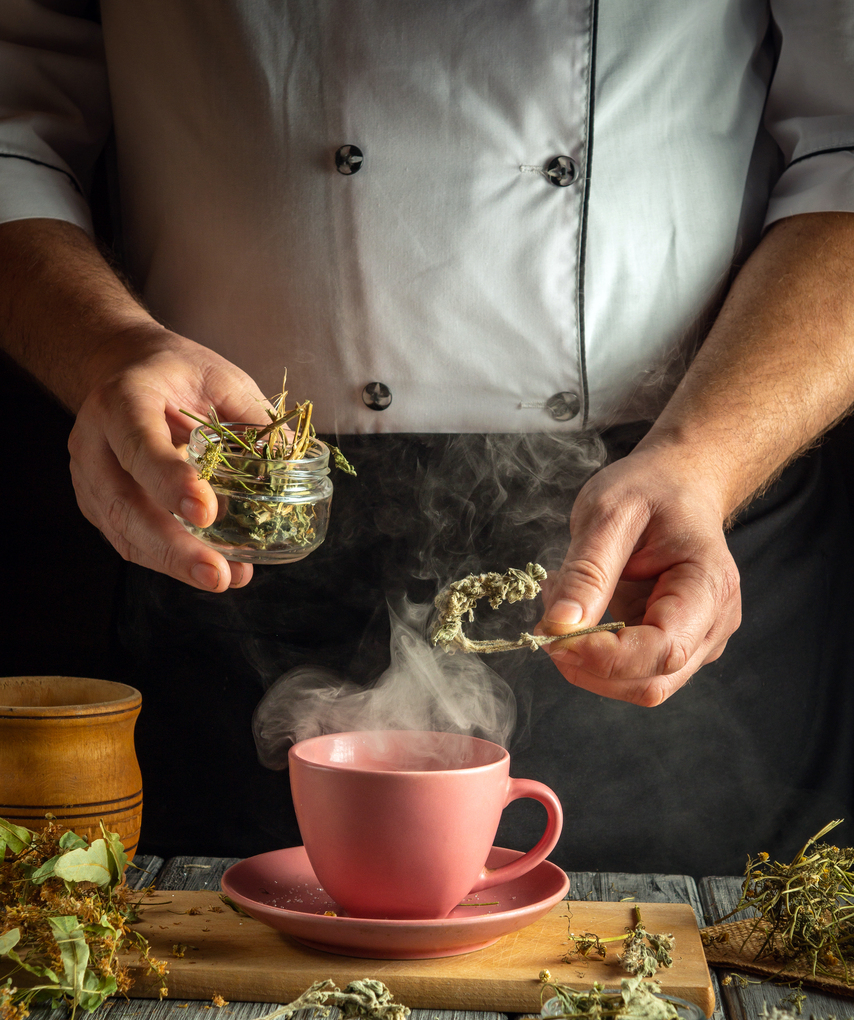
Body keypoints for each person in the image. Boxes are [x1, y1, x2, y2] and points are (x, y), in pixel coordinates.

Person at [1, 2, 853, 873]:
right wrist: (109, 350)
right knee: (208, 948)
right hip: (230, 517)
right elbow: (12, 137)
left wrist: (707, 462)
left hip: (660, 518)